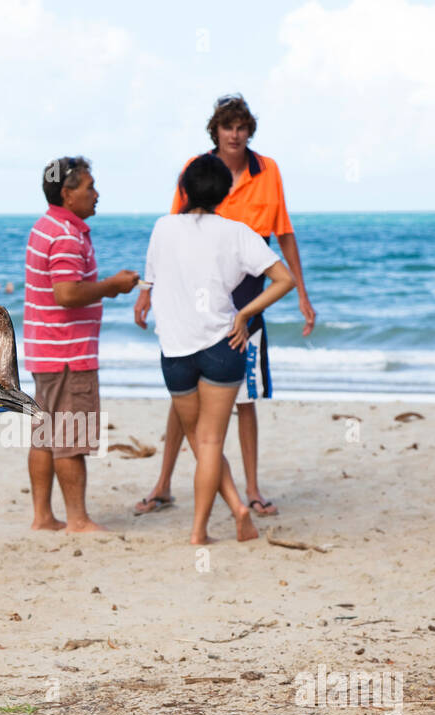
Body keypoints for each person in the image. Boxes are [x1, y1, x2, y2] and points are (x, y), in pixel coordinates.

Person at [135, 94, 314, 517]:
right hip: (202, 286)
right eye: (227, 126)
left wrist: (302, 293)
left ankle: (251, 490)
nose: (234, 134)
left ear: (250, 131)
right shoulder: (198, 172)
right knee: (187, 394)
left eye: (241, 126)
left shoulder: (267, 170)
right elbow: (171, 235)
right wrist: (147, 289)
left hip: (251, 288)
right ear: (214, 131)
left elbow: (284, 233)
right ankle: (162, 485)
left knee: (246, 395)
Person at [142, 154, 296, 544]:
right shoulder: (237, 231)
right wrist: (245, 314)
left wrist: (143, 299)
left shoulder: (162, 228)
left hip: (174, 352)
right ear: (225, 193)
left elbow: (151, 281)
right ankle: (203, 530)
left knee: (199, 442)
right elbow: (284, 279)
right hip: (222, 346)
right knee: (210, 442)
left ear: (183, 190)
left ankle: (229, 514)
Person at [23, 156, 138, 532]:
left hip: (45, 350)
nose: (97, 194)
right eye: (89, 187)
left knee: (45, 436)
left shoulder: (46, 226)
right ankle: (77, 519)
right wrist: (113, 286)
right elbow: (68, 293)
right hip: (68, 352)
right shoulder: (66, 235)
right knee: (69, 438)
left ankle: (43, 517)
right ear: (67, 193)